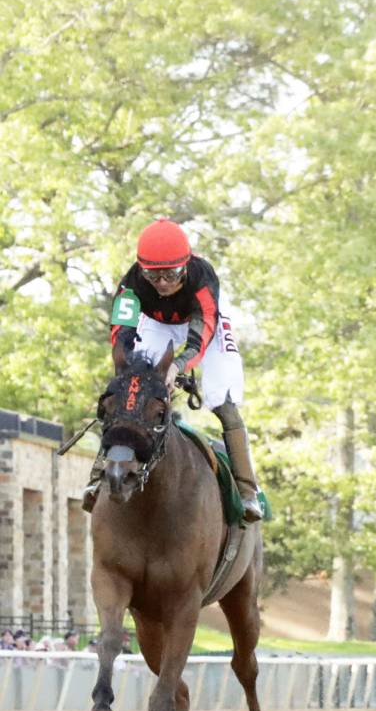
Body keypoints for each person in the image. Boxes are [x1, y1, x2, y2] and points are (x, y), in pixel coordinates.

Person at [81, 217, 262, 521]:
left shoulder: (203, 280)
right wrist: (129, 374)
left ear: (187, 266)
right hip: (156, 324)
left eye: (172, 274)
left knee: (222, 398)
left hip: (204, 327)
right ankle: (100, 471)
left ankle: (247, 489)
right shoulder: (130, 286)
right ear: (141, 270)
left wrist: (177, 366)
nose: (163, 283)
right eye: (153, 276)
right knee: (130, 391)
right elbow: (120, 337)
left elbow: (200, 336)